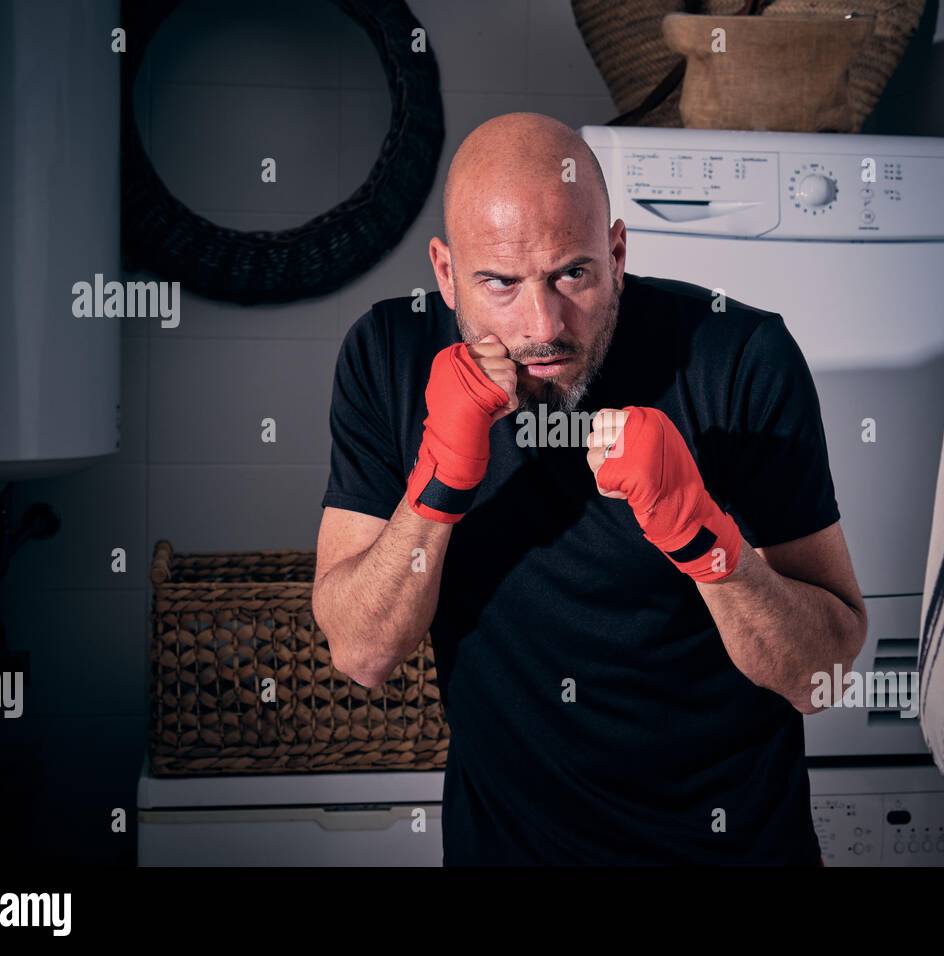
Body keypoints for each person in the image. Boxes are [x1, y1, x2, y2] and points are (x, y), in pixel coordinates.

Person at [313, 112, 866, 866]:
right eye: (500, 283)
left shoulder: (737, 357)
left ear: (616, 251)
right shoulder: (389, 358)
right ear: (444, 274)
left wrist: (707, 543)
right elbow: (361, 653)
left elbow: (822, 675)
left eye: (573, 273)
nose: (543, 324)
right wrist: (436, 487)